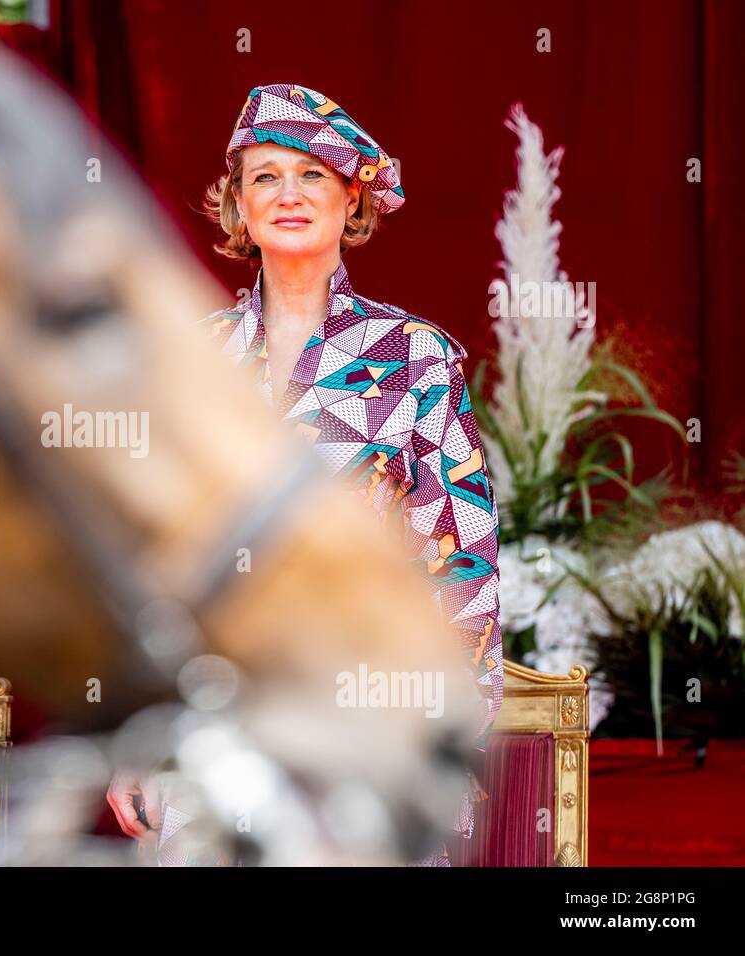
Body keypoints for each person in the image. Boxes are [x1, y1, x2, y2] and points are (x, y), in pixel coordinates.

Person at [108, 84, 503, 866]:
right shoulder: (195, 355)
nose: (288, 195)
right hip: (218, 734)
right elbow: (152, 566)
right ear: (238, 205)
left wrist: (435, 749)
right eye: (264, 177)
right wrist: (139, 738)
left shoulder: (414, 357)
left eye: (312, 174)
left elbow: (465, 565)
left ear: (350, 196)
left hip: (369, 727)